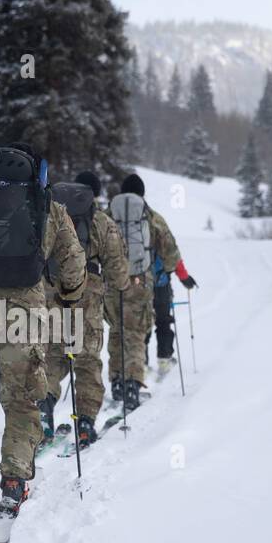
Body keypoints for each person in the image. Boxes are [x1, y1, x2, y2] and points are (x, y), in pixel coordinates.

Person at [0, 144, 86, 520]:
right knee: (23, 397)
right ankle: (13, 479)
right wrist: (71, 297)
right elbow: (73, 263)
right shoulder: (51, 210)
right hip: (25, 313)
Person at [40, 170, 129, 449]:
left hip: (51, 291)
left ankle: (44, 411)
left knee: (54, 356)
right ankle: (86, 423)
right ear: (94, 194)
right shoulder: (101, 221)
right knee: (88, 359)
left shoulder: (51, 214)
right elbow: (116, 269)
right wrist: (122, 284)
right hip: (88, 295)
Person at [104, 173, 197, 408]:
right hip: (140, 282)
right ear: (142, 194)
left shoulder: (107, 215)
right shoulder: (151, 217)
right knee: (136, 333)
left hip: (113, 283)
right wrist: (178, 275)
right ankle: (133, 386)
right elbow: (171, 253)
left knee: (117, 330)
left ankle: (116, 383)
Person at [147, 216, 197, 376]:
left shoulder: (119, 217)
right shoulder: (156, 221)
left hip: (135, 284)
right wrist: (185, 278)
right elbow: (172, 254)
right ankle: (164, 359)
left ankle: (140, 363)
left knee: (139, 324)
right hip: (160, 284)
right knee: (163, 322)